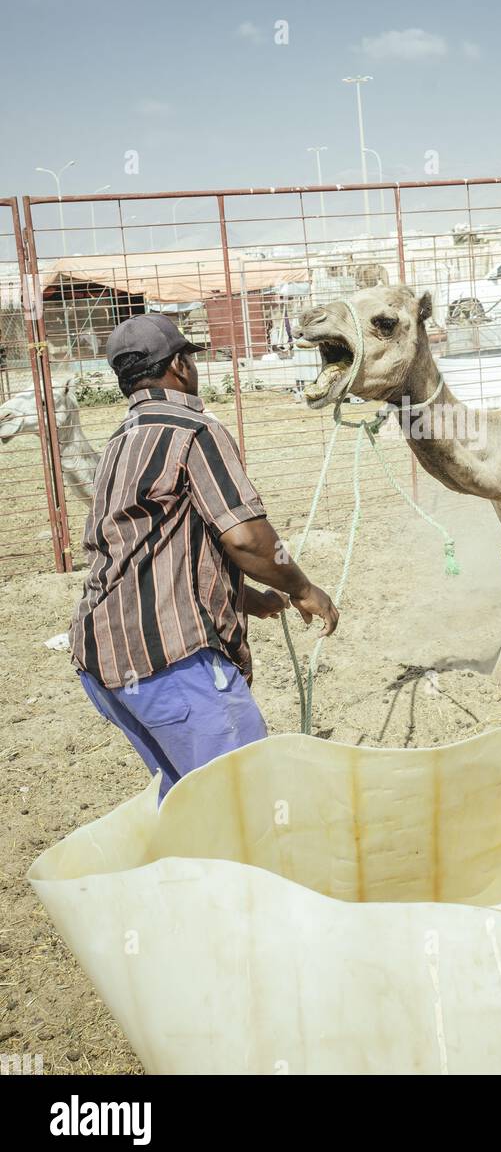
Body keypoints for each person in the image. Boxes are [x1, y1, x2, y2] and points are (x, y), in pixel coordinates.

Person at [69, 313, 338, 801]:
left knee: (191, 804)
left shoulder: (121, 439)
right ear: (179, 366)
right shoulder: (195, 429)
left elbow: (153, 539)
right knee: (246, 805)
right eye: (190, 357)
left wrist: (243, 594)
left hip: (104, 659)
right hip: (170, 661)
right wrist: (302, 588)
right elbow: (247, 539)